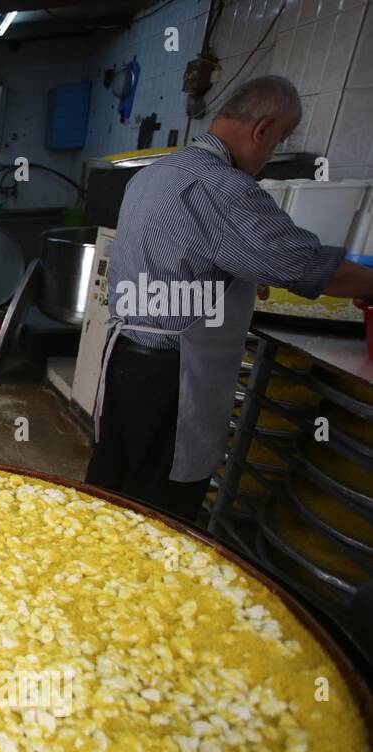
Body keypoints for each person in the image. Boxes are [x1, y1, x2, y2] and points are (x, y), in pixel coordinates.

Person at [86, 75, 373, 523]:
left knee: (111, 486)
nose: (271, 152)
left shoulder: (155, 174)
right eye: (278, 139)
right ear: (262, 129)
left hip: (124, 358)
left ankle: (93, 578)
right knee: (161, 504)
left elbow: (188, 254)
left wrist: (239, 274)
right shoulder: (224, 188)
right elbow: (308, 265)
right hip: (172, 374)